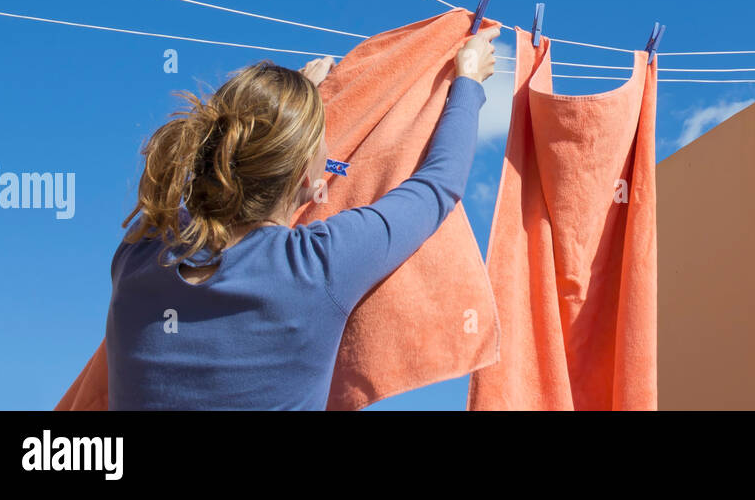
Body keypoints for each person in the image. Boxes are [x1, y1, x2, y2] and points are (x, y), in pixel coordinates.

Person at [104, 31, 497, 410]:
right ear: (307, 179)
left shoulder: (140, 251)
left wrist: (288, 104)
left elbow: (235, 203)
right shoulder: (319, 266)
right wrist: (469, 81)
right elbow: (438, 185)